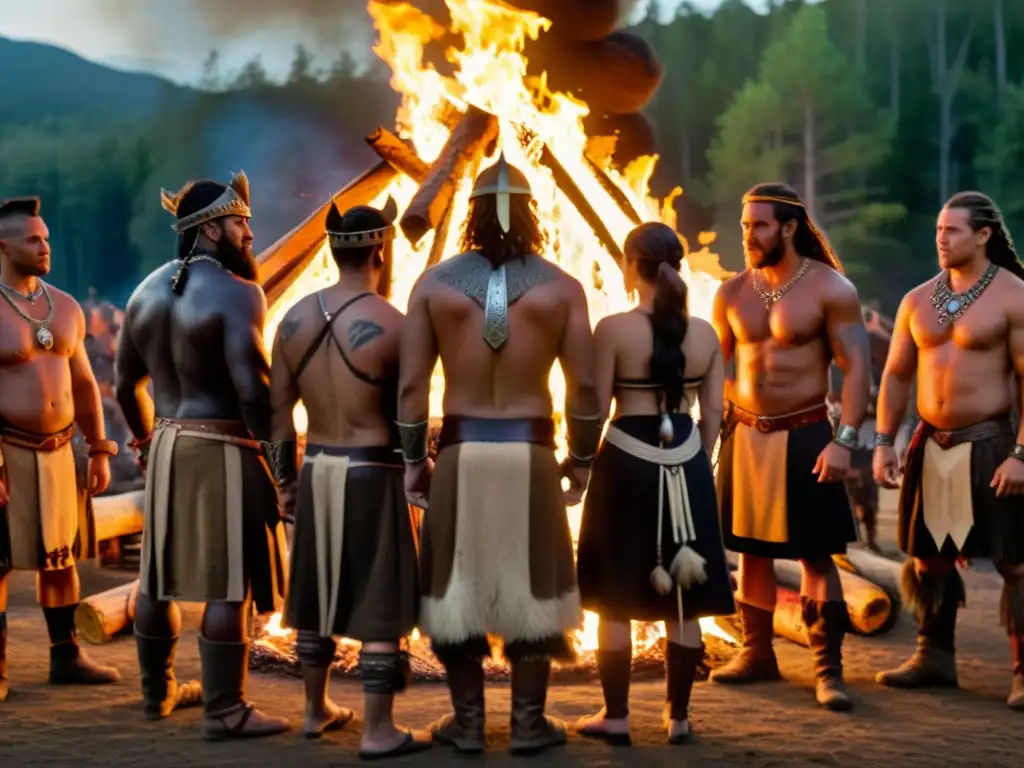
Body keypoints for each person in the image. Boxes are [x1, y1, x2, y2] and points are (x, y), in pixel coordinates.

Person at [398, 152, 595, 756]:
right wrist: (581, 460)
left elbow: (410, 388)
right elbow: (585, 389)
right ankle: (530, 724)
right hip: (532, 457)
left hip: (460, 456)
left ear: (470, 214)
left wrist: (414, 460)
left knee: (457, 590)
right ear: (532, 215)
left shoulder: (433, 285)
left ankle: (470, 723)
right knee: (534, 589)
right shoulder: (562, 288)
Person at [114, 172, 290, 738]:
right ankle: (225, 710)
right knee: (227, 583)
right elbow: (254, 390)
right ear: (211, 227)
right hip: (222, 447)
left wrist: (145, 446)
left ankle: (155, 693)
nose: (249, 234)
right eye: (241, 222)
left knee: (156, 577)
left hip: (167, 444)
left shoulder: (143, 292)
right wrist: (282, 467)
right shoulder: (240, 293)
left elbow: (125, 386)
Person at [271, 198, 430, 757]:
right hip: (374, 469)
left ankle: (315, 712)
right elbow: (410, 405)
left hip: (318, 469)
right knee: (380, 596)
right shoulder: (396, 323)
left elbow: (278, 416)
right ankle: (379, 730)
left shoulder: (292, 319)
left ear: (334, 251)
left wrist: (285, 481)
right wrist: (417, 464)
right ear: (380, 252)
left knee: (315, 592)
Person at [709, 182, 871, 711]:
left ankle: (828, 671)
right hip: (743, 434)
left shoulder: (830, 289)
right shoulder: (731, 292)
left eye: (759, 225)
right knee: (750, 551)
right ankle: (758, 654)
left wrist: (844, 442)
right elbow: (714, 372)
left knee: (815, 555)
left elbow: (856, 374)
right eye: (745, 225)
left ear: (789, 227)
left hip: (805, 433)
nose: (749, 235)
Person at [573, 222, 735, 745]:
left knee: (617, 593)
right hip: (685, 458)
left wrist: (577, 465)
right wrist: (696, 463)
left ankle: (615, 716)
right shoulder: (706, 333)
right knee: (684, 599)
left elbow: (596, 410)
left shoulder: (614, 330)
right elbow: (714, 411)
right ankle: (679, 718)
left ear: (629, 265)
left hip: (625, 463)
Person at [872, 191, 1024, 708]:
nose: (941, 238)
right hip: (930, 443)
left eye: (953, 230)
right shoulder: (917, 299)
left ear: (983, 235)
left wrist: (1022, 455)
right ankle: (934, 656)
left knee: (1015, 563)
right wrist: (883, 441)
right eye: (938, 229)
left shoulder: (1012, 296)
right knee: (929, 558)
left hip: (992, 444)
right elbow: (894, 376)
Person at [0, 196, 121, 702]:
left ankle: (65, 656)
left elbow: (86, 384)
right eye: (33, 239)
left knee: (62, 560)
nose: (45, 245)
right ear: (3, 246)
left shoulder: (66, 306)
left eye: (46, 237)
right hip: (7, 452)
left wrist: (98, 448)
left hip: (61, 452)